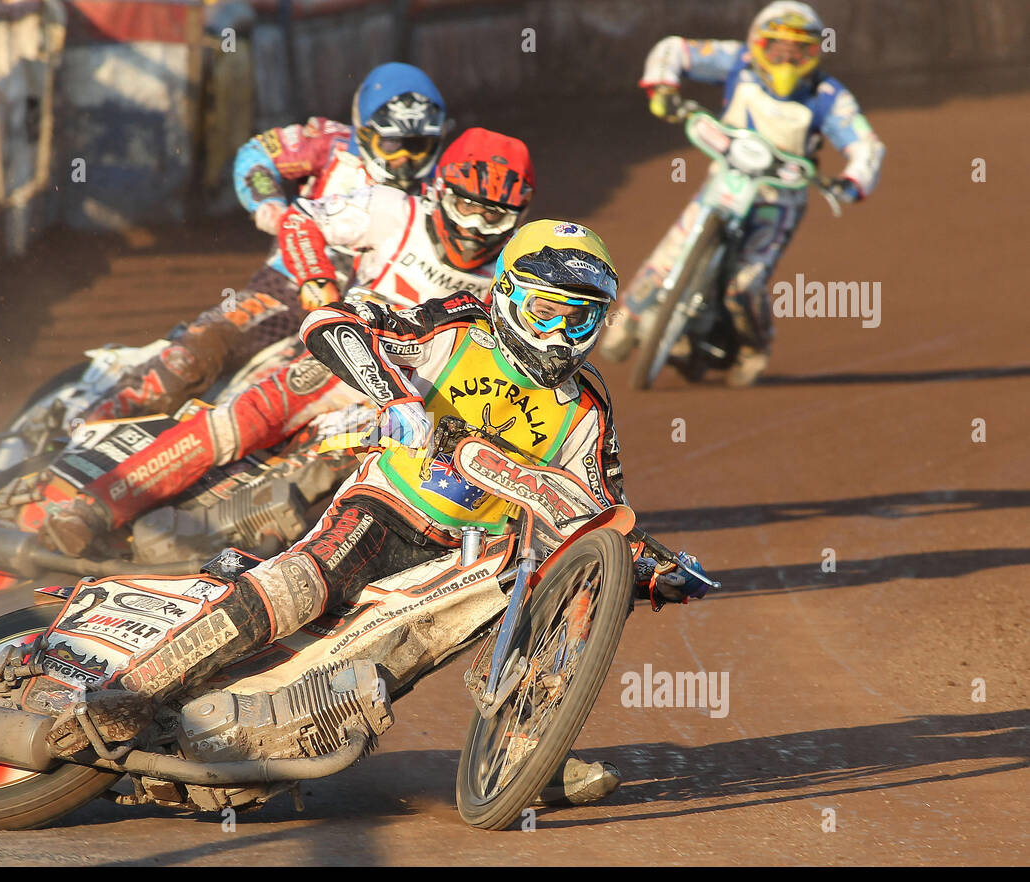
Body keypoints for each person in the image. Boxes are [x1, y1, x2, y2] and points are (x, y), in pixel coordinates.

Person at [104, 220, 713, 806]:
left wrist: (651, 572)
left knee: (415, 656)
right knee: (305, 586)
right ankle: (131, 690)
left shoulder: (588, 409)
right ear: (505, 295)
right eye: (544, 311)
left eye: (576, 318)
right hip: (386, 505)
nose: (557, 334)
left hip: (471, 555)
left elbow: (599, 511)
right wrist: (394, 394)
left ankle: (532, 751)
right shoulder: (459, 327)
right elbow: (335, 322)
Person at [39, 128, 536, 556]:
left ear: (517, 217)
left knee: (351, 480)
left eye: (492, 216)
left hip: (417, 399)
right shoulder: (391, 210)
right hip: (341, 354)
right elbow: (301, 219)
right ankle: (95, 504)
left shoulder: (517, 269)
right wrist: (317, 282)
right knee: (242, 413)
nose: (473, 226)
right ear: (438, 192)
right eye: (465, 205)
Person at [81, 62, 450, 424]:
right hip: (286, 287)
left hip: (366, 313)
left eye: (417, 146)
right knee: (196, 351)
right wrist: (269, 206)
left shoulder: (448, 188)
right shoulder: (330, 142)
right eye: (392, 143)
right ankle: (86, 425)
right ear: (365, 131)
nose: (404, 158)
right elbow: (257, 155)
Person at [599, 1, 885, 386]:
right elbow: (675, 50)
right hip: (726, 180)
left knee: (745, 284)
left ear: (815, 52)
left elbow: (866, 144)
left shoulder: (827, 94)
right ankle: (627, 320)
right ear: (758, 44)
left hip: (780, 199)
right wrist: (663, 87)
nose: (787, 57)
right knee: (671, 252)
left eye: (800, 49)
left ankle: (754, 347)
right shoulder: (737, 60)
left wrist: (852, 181)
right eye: (778, 47)